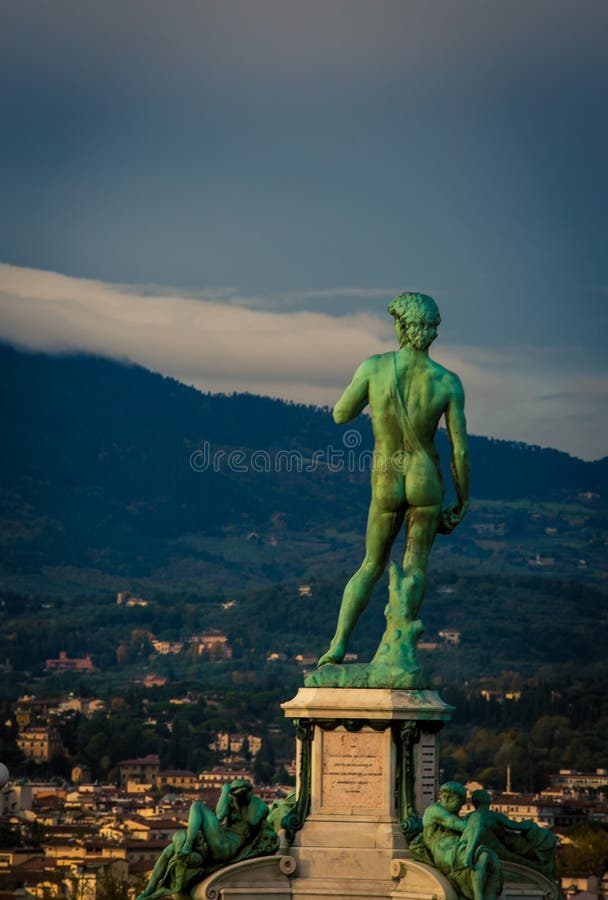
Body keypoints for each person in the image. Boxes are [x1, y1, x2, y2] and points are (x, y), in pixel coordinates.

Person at [318, 292, 469, 667]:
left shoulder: (374, 367)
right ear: (431, 332)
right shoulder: (447, 382)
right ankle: (399, 647)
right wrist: (463, 500)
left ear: (400, 326)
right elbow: (460, 451)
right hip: (425, 480)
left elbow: (340, 414)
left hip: (387, 476)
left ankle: (338, 645)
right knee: (415, 564)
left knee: (371, 564)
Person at [136, 779, 276, 900]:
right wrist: (225, 794)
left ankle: (188, 845)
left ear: (248, 791)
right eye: (235, 793)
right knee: (169, 849)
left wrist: (242, 803)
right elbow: (220, 815)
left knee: (198, 807)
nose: (237, 796)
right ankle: (150, 889)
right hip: (220, 839)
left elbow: (253, 821)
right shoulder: (231, 800)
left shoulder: (259, 805)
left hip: (227, 846)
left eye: (240, 792)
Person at [417, 781, 502, 900]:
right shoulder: (434, 810)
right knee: (478, 823)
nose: (461, 806)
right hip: (444, 851)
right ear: (447, 797)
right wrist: (478, 821)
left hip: (457, 846)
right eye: (459, 802)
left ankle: (481, 896)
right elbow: (460, 825)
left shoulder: (451, 813)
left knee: (490, 859)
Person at [468, 789, 557, 877]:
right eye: (488, 796)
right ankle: (542, 867)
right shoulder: (494, 815)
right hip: (506, 847)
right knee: (525, 856)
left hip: (483, 849)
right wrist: (529, 824)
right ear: (486, 800)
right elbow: (515, 826)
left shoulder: (469, 816)